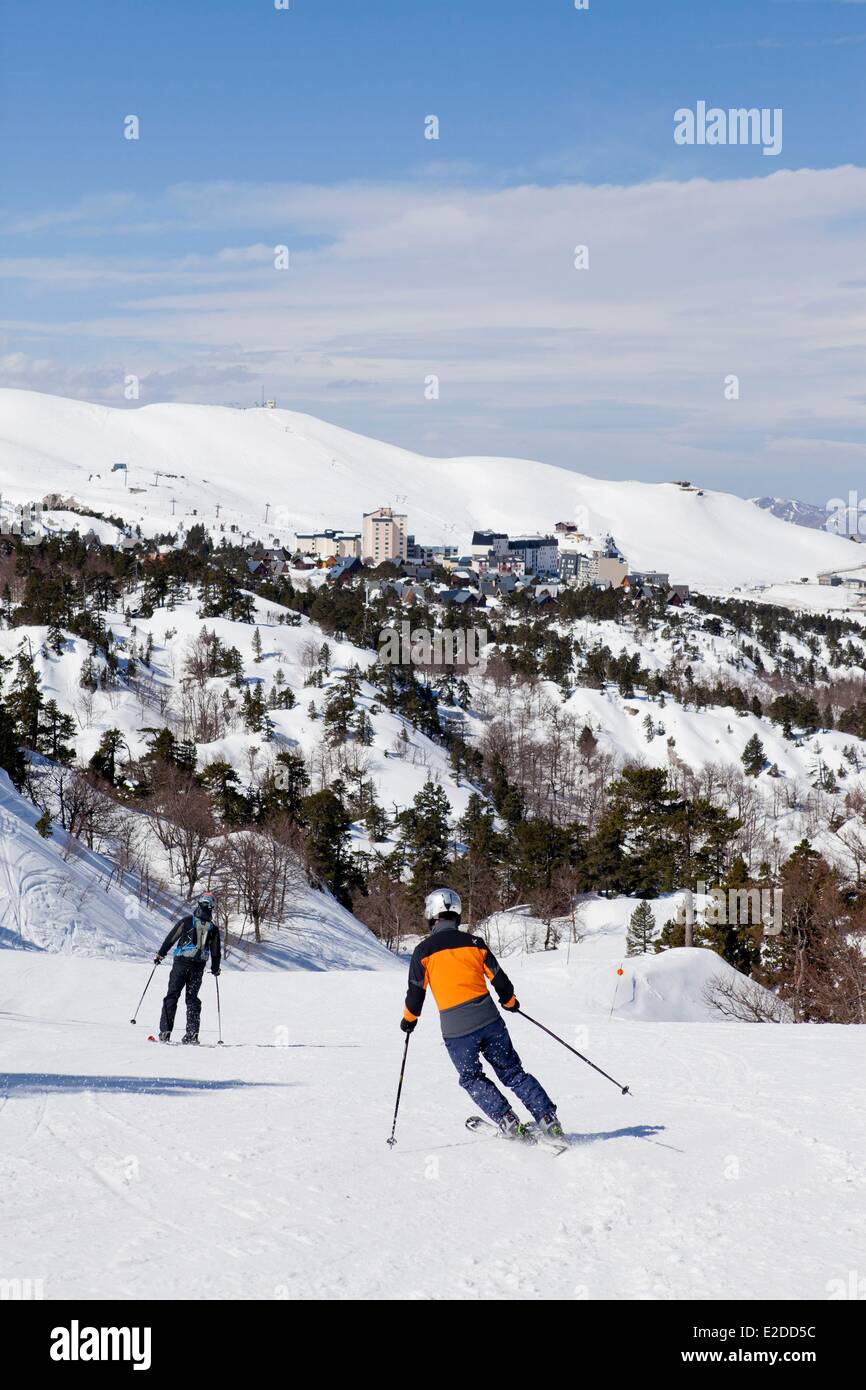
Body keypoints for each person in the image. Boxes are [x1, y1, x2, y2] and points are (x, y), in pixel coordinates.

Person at [401, 887, 563, 1139]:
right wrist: (509, 1001)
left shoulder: (424, 951)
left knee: (470, 1077)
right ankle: (546, 1117)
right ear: (456, 914)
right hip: (490, 1021)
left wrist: (409, 1021)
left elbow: (415, 994)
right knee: (512, 1072)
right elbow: (498, 977)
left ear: (431, 915)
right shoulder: (475, 943)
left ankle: (506, 1119)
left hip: (457, 1032)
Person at [154, 892, 221, 1044]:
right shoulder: (213, 929)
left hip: (181, 965)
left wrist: (160, 954)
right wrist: (215, 968)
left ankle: (165, 1032)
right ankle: (192, 1035)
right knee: (192, 1000)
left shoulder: (186, 921)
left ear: (199, 904)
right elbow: (216, 952)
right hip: (198, 968)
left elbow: (171, 938)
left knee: (172, 996)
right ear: (212, 907)